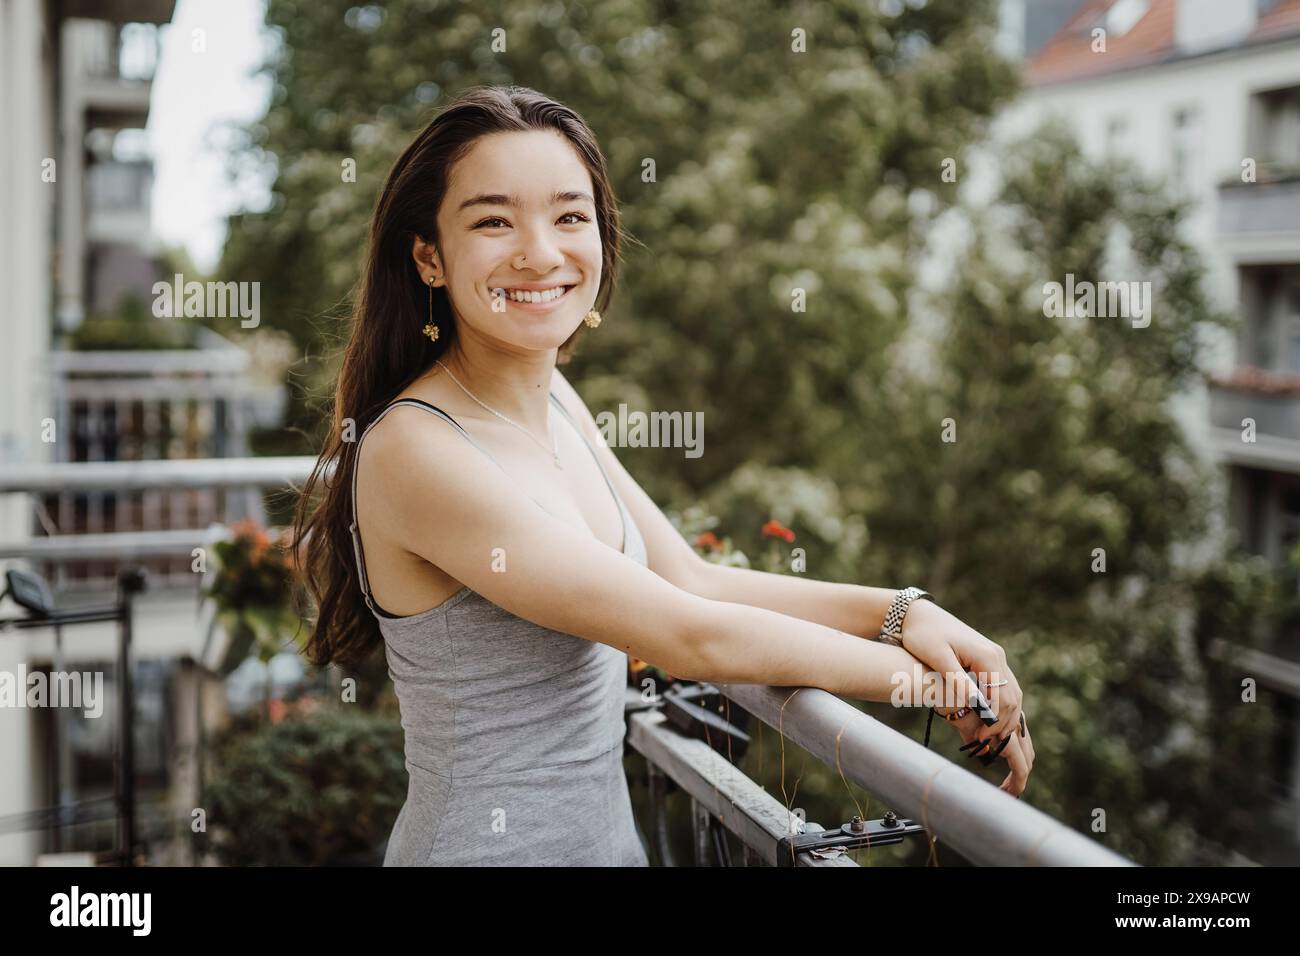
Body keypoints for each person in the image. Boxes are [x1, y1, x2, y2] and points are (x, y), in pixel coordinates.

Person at [292, 85, 1033, 867]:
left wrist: (903, 612)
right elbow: (689, 636)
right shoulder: (415, 448)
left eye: (570, 215)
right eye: (493, 220)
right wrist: (940, 687)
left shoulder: (555, 401)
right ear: (429, 256)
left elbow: (690, 580)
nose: (540, 251)